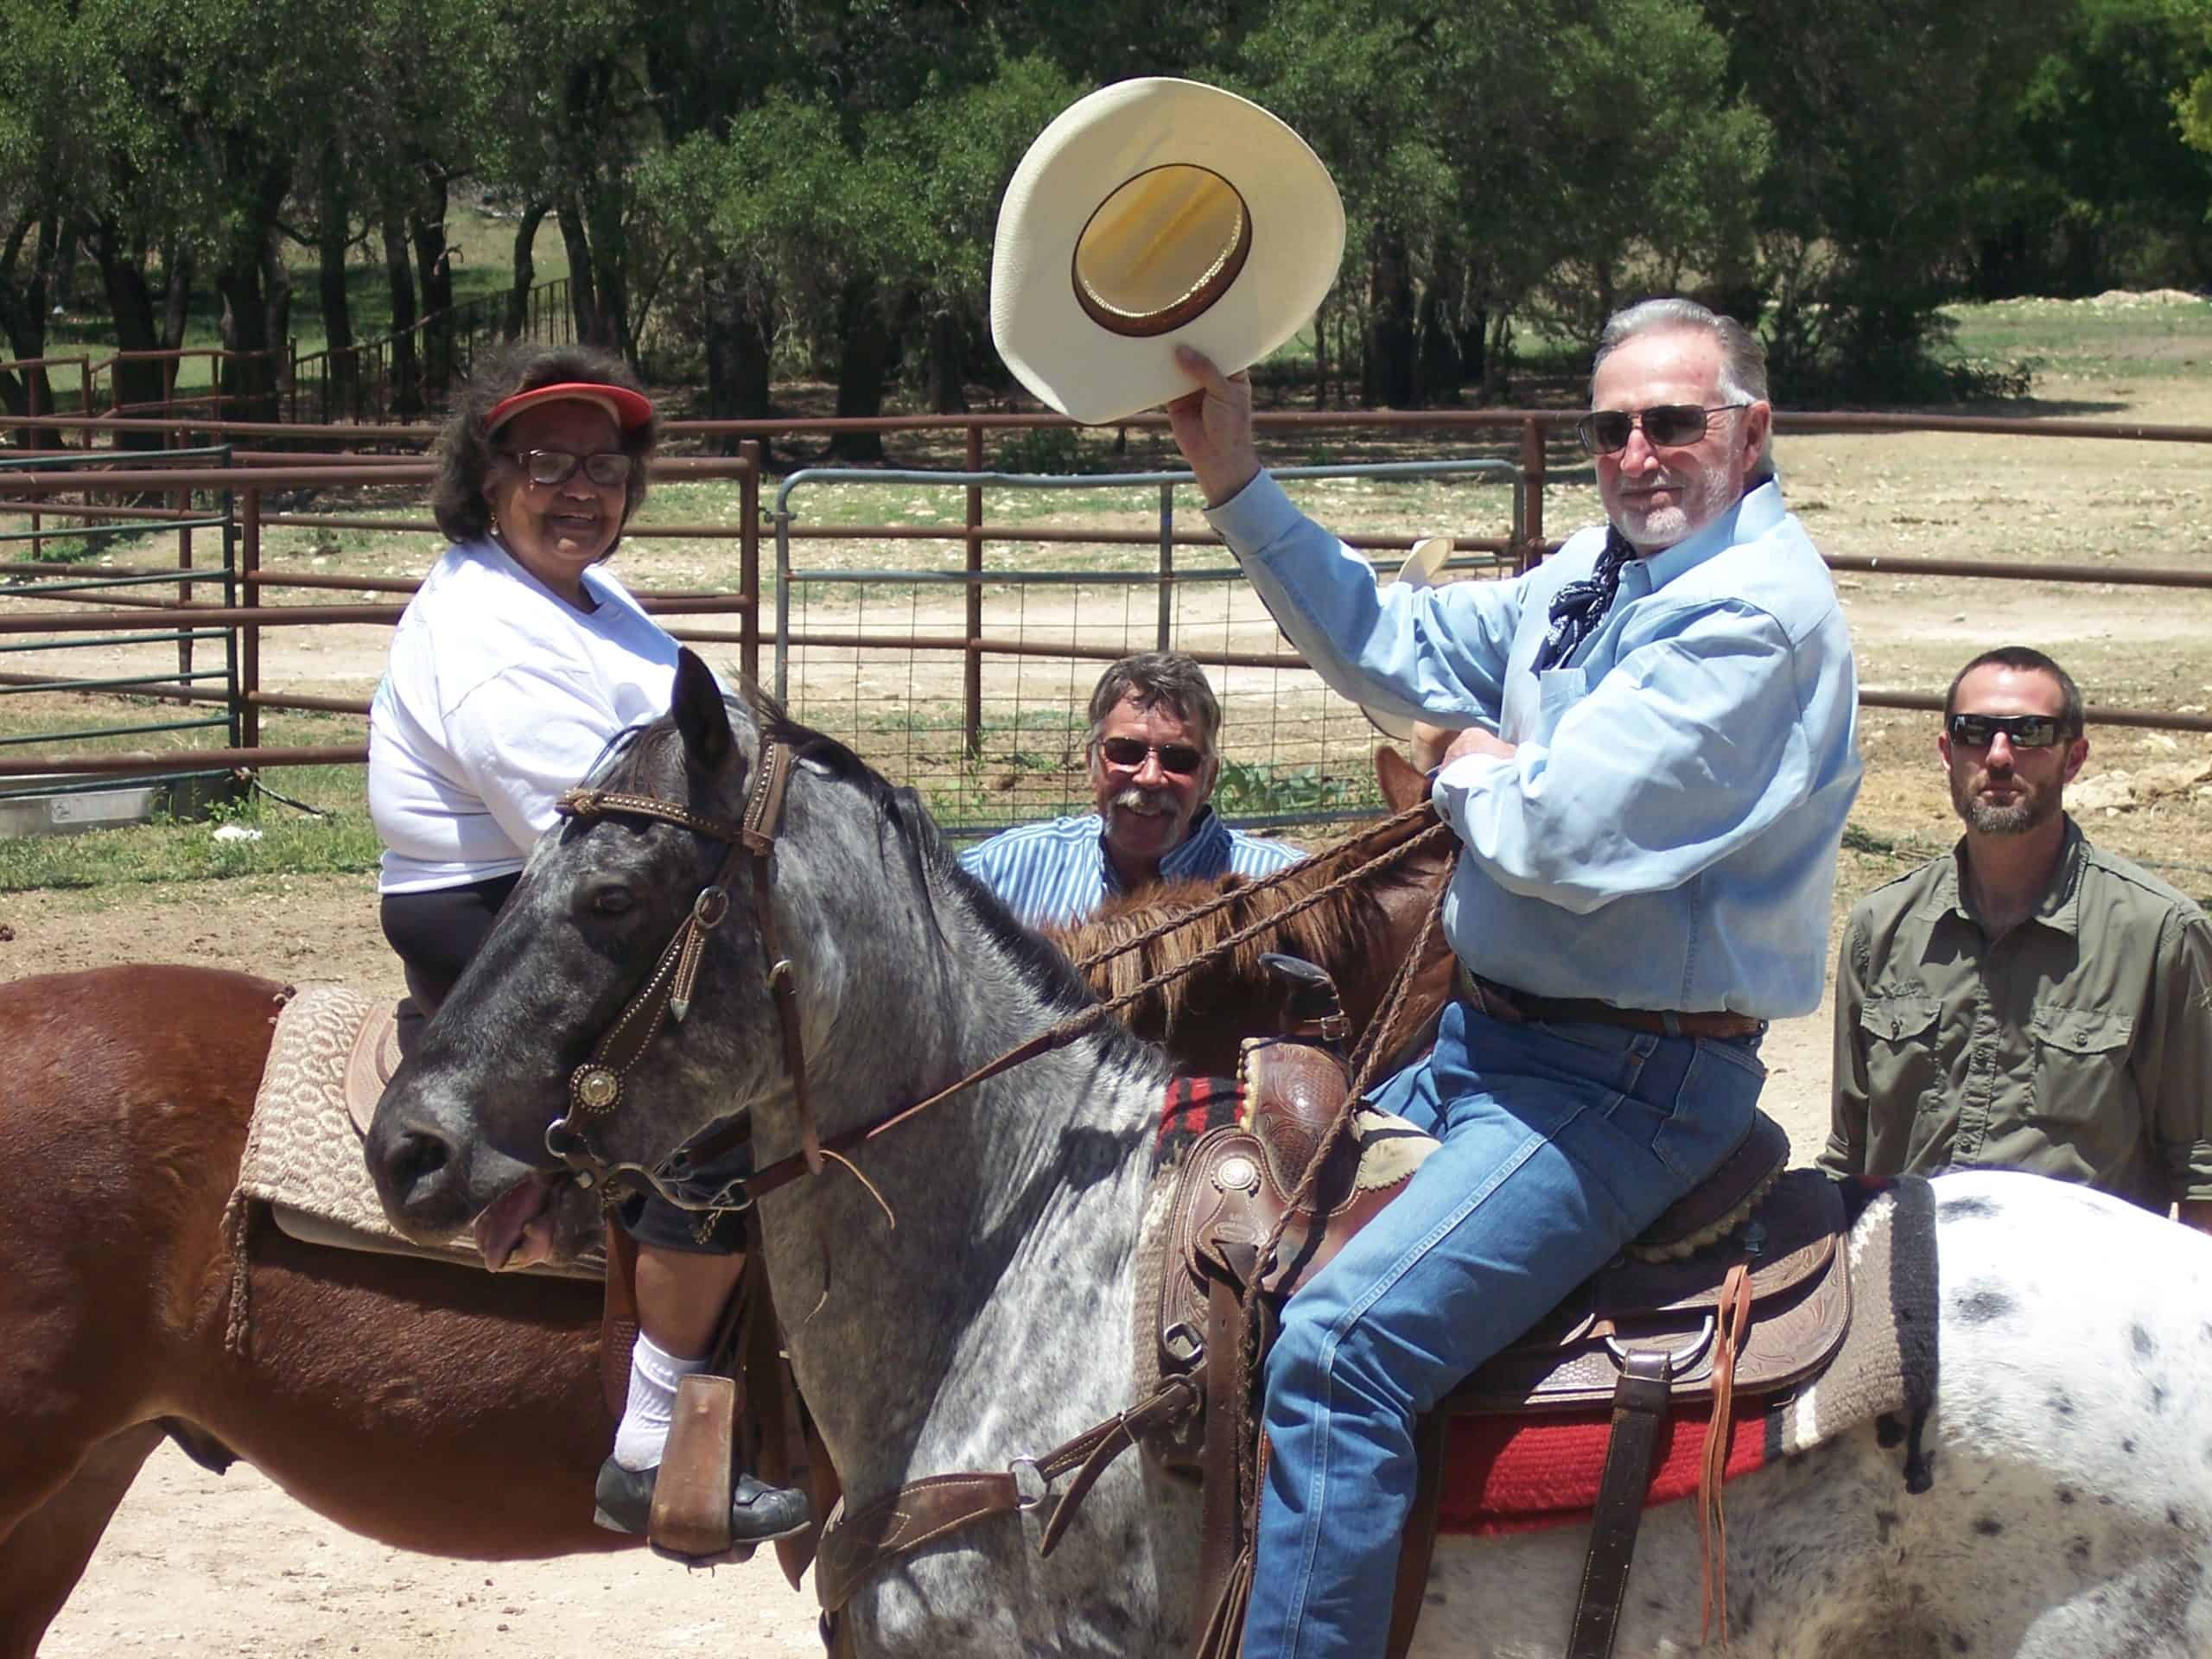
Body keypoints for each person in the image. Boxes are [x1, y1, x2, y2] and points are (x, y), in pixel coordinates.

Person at [1166, 296, 1860, 1659]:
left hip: (1625, 1085)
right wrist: (1235, 478)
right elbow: (1394, 641)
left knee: (1341, 1353)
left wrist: (1456, 762)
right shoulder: (1601, 570)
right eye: (1613, 428)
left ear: (1752, 431)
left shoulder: (1756, 619)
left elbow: (1556, 832)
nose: (1639, 454)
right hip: (1492, 1046)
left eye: (1675, 422)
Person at [367, 342, 808, 1545]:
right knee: (721, 1094)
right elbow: (605, 837)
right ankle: (654, 1442)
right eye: (546, 463)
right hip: (521, 916)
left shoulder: (589, 600)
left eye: (604, 468)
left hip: (590, 902)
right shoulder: (484, 627)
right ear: (488, 477)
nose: (580, 491)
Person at [1821, 646, 2212, 1230]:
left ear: (2074, 758)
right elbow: (1849, 1156)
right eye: (1974, 732)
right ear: (1947, 752)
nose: (1999, 756)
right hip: (1911, 1269)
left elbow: (2202, 1177)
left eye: (2031, 734)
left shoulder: (2159, 935)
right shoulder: (1880, 928)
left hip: (2078, 1277)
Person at [958, 651, 1302, 925]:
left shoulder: (1283, 889)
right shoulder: (1004, 872)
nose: (1150, 777)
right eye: (1125, 752)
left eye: (1178, 758)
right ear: (1092, 762)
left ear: (1209, 778)